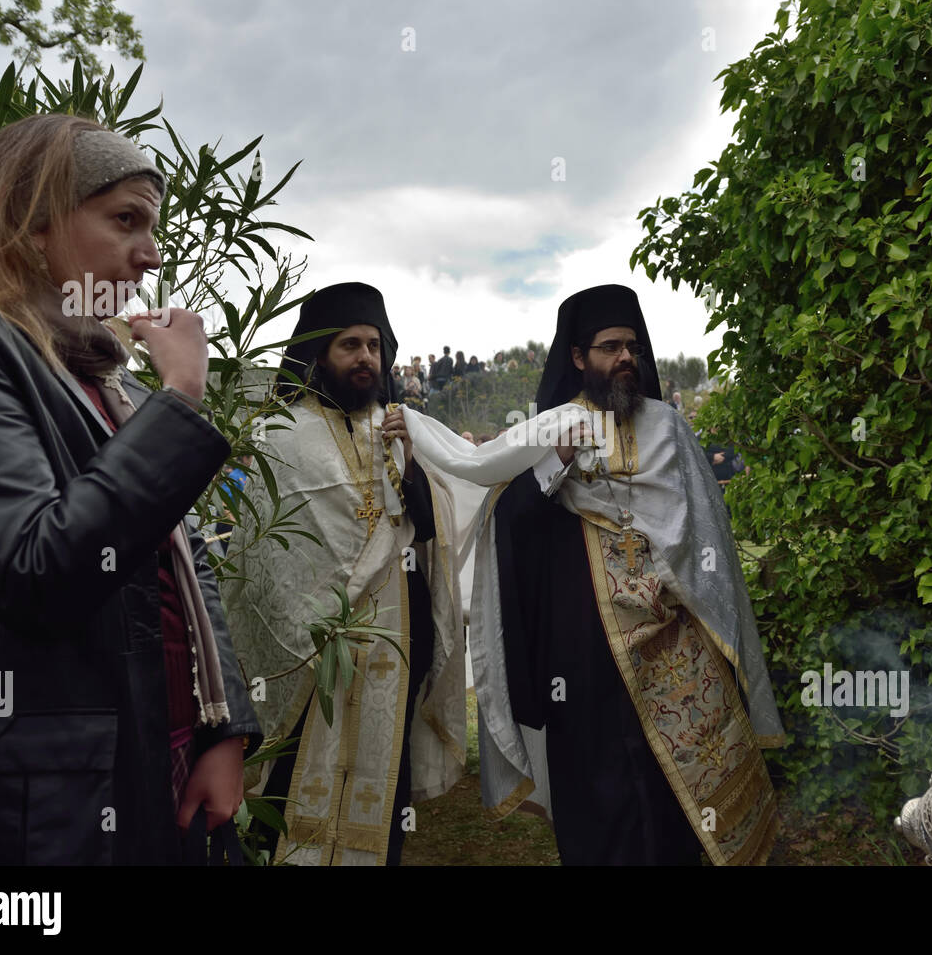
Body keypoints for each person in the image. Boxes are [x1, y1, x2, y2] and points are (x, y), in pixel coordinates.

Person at [0, 114, 261, 864]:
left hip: (150, 748)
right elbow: (36, 568)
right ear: (31, 225)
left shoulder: (99, 376)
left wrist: (221, 728)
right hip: (53, 800)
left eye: (152, 224)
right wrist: (184, 395)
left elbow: (179, 557)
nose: (151, 253)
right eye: (124, 219)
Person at [473, 284, 784, 865]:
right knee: (601, 791)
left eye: (632, 347)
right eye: (610, 347)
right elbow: (510, 528)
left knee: (679, 792)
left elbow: (704, 537)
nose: (624, 359)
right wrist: (556, 465)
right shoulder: (549, 433)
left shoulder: (669, 427)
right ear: (577, 356)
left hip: (677, 645)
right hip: (587, 659)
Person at [222, 282, 464, 866]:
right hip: (309, 661)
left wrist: (415, 477)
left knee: (384, 803)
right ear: (318, 355)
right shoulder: (281, 434)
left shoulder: (403, 429)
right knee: (290, 787)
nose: (365, 358)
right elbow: (262, 563)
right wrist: (313, 631)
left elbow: (431, 531)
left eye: (374, 345)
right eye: (349, 344)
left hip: (393, 652)